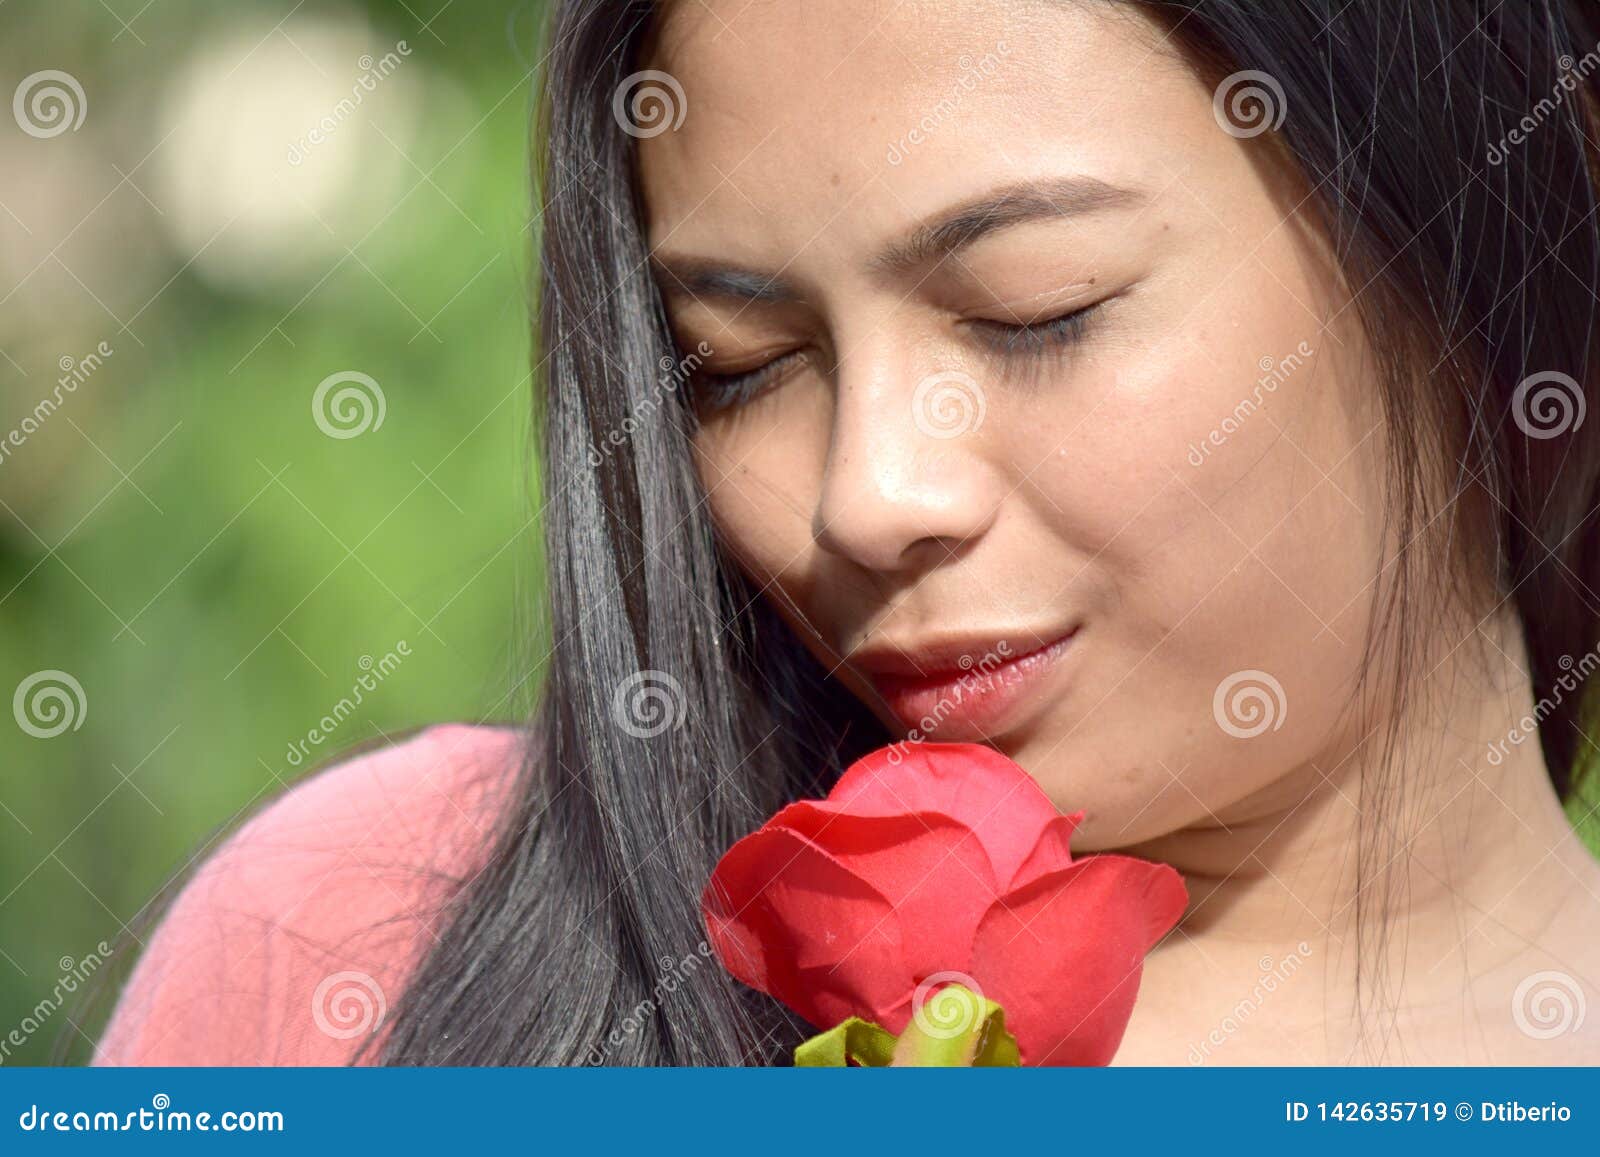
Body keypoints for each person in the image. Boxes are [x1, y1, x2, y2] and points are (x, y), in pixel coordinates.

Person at [97, 0, 1600, 1066]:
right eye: (740, 366)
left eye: (1036, 310)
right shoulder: (369, 939)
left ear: (1474, 215)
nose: (864, 497)